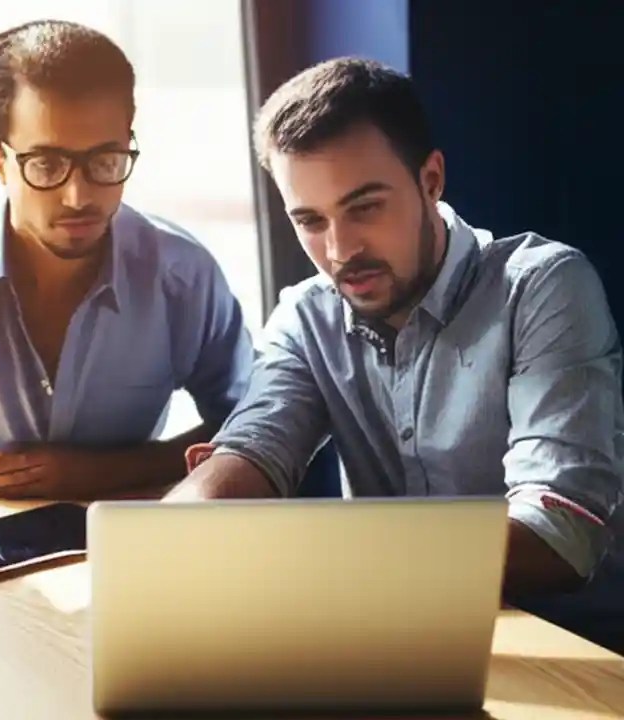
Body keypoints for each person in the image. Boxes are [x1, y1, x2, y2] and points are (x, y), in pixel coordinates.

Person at [167, 57, 624, 652]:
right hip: (403, 647)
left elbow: (560, 533)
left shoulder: (542, 287)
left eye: (365, 207)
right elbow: (254, 446)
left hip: (576, 652)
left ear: (430, 180)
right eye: (309, 220)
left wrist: (334, 558)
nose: (339, 250)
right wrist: (181, 529)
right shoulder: (307, 315)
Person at [0, 20, 253, 499]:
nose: (78, 196)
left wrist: (103, 472)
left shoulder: (180, 273)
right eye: (46, 164)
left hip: (115, 544)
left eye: (105, 161)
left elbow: (253, 420)